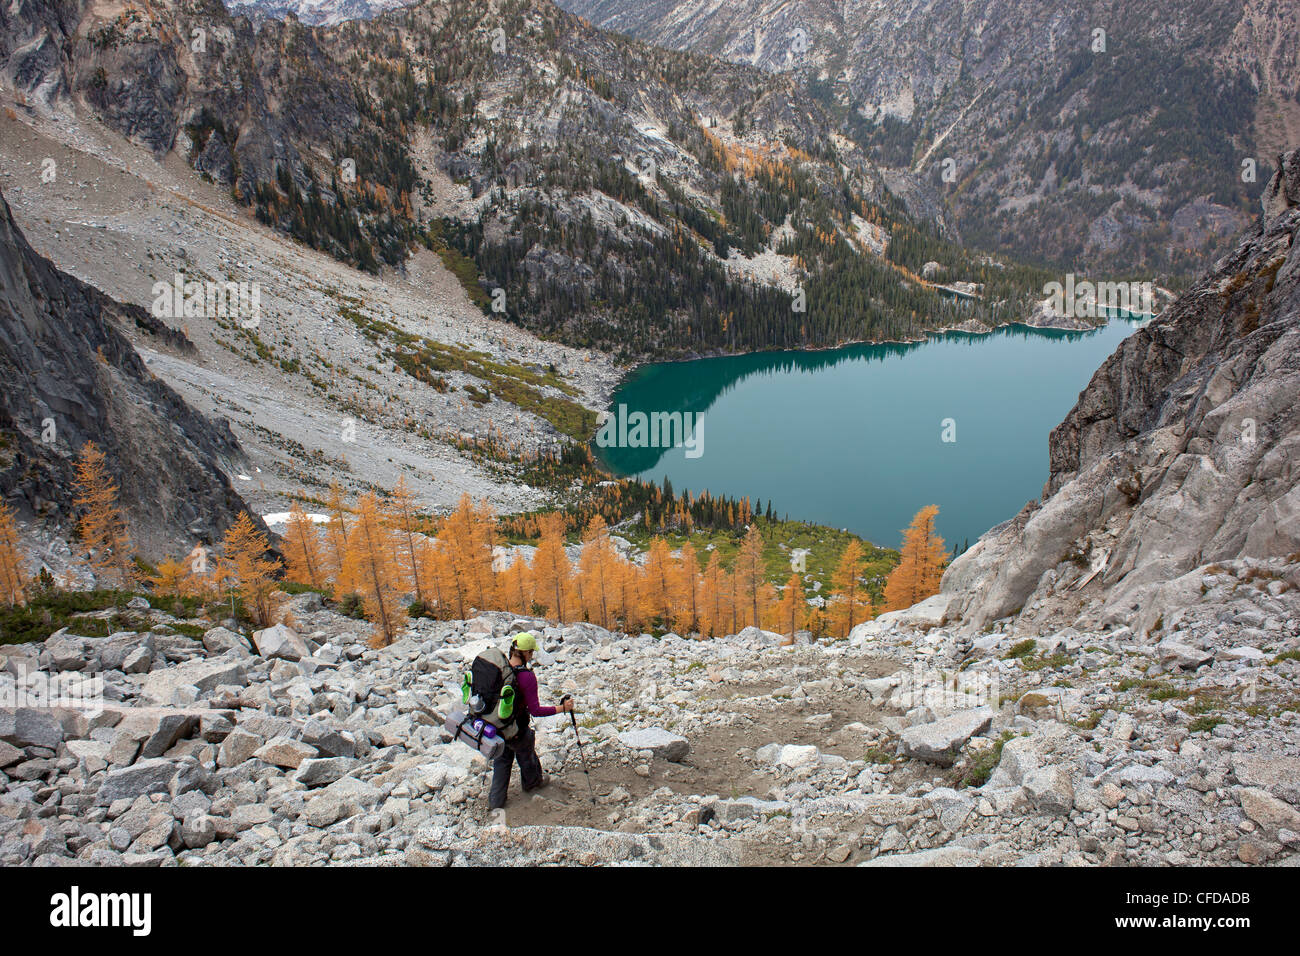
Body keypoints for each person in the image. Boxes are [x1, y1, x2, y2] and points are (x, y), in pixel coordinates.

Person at [487, 631, 574, 811]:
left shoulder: (499, 670)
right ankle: (532, 783)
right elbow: (536, 710)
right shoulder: (526, 676)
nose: (532, 656)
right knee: (526, 753)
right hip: (517, 729)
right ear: (525, 653)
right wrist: (562, 708)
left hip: (497, 727)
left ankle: (496, 802)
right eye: (531, 653)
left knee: (502, 761)